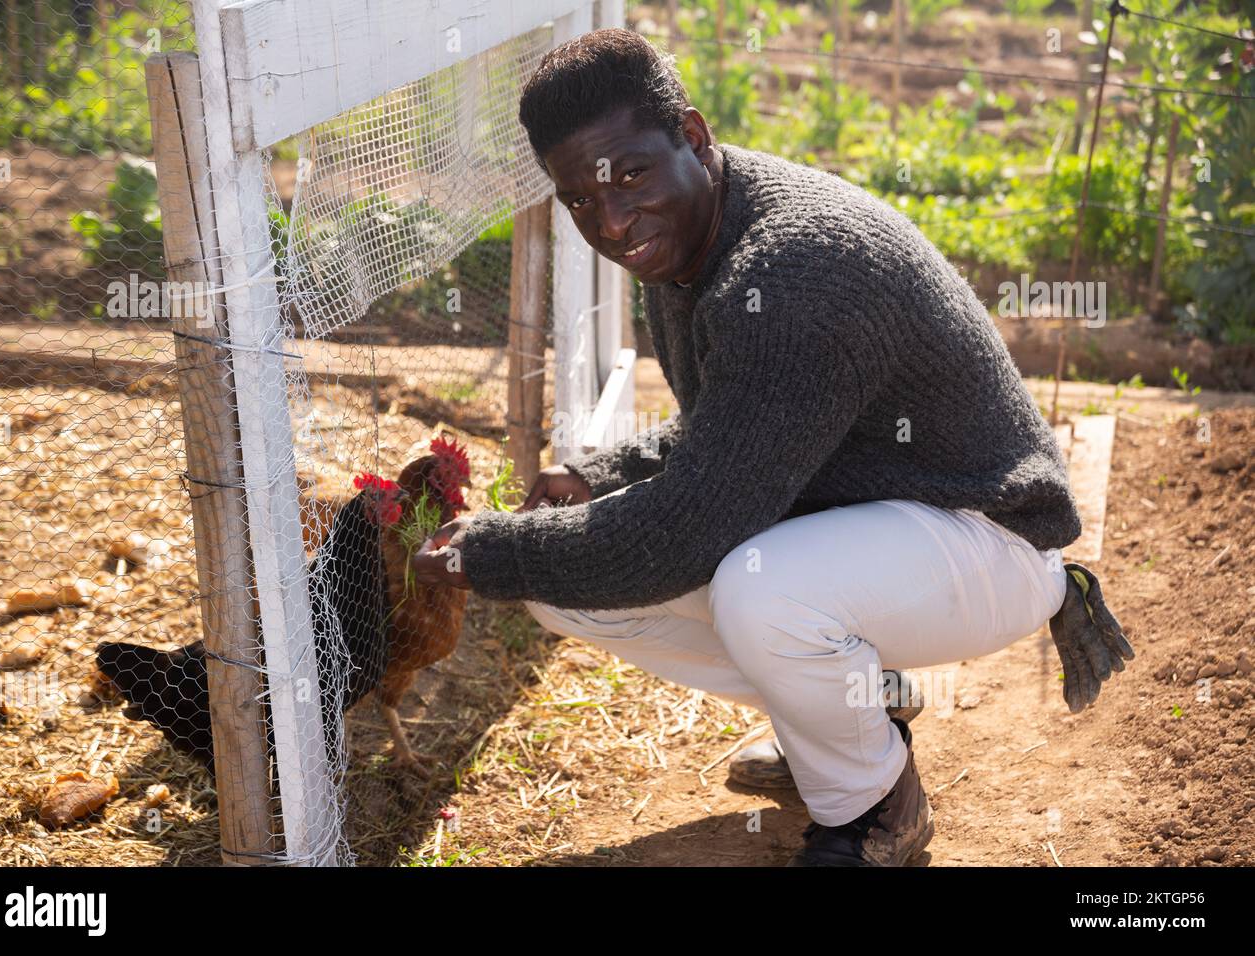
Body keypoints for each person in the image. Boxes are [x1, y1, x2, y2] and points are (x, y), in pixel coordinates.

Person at [411, 28, 1130, 867]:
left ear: (693, 134)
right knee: (563, 581)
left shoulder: (792, 274)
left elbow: (689, 528)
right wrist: (596, 474)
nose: (609, 221)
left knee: (760, 591)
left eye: (630, 176)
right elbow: (738, 428)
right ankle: (863, 712)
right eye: (577, 200)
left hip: (987, 536)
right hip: (876, 530)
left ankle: (872, 810)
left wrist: (488, 551)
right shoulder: (691, 235)